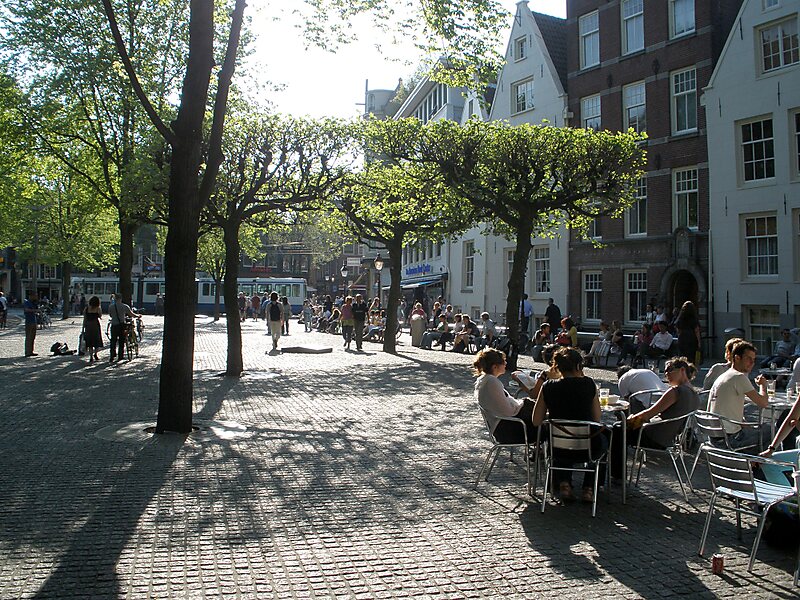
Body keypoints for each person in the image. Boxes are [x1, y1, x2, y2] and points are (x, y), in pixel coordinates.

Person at [532, 347, 607, 503]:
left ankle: (564, 483)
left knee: (557, 436)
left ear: (557, 367)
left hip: (558, 449)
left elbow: (536, 420)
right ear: (579, 366)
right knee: (605, 439)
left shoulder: (548, 386)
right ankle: (589, 487)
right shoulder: (589, 384)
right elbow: (597, 417)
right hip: (588, 446)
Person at [612, 357, 700, 477]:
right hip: (669, 438)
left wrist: (630, 419)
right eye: (665, 371)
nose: (666, 374)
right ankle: (616, 474)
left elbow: (648, 414)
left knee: (616, 430)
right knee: (620, 428)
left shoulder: (675, 392)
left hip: (654, 436)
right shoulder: (695, 394)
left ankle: (616, 475)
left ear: (682, 370)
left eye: (669, 370)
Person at [708, 341, 771, 449]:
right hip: (730, 439)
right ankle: (753, 463)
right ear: (737, 358)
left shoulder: (724, 376)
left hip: (714, 436)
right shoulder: (739, 377)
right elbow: (764, 403)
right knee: (772, 430)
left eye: (754, 360)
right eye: (748, 359)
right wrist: (763, 385)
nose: (752, 363)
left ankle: (751, 461)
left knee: (754, 428)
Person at [474, 348, 540, 445]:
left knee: (536, 411)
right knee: (545, 425)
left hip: (503, 425)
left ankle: (540, 452)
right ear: (495, 366)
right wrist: (522, 403)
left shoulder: (484, 380)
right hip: (507, 429)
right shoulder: (492, 382)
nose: (506, 364)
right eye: (503, 362)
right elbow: (508, 411)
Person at [108, 294, 141, 363]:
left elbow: (110, 315)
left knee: (113, 341)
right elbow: (131, 314)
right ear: (120, 299)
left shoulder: (111, 306)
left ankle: (112, 355)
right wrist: (137, 316)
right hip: (122, 325)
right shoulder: (124, 306)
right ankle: (120, 356)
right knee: (121, 341)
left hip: (114, 325)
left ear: (115, 299)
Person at [82, 295, 104, 363]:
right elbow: (100, 316)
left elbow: (85, 318)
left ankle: (91, 356)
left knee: (90, 342)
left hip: (88, 326)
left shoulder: (86, 309)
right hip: (95, 326)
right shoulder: (98, 308)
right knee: (97, 341)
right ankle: (95, 354)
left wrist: (83, 328)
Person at [23, 291, 39, 357]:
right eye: (35, 295)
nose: (36, 297)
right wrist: (35, 310)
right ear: (31, 296)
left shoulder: (33, 303)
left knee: (32, 337)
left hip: (33, 321)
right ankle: (27, 352)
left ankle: (31, 351)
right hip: (29, 322)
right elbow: (26, 310)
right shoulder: (27, 302)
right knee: (29, 337)